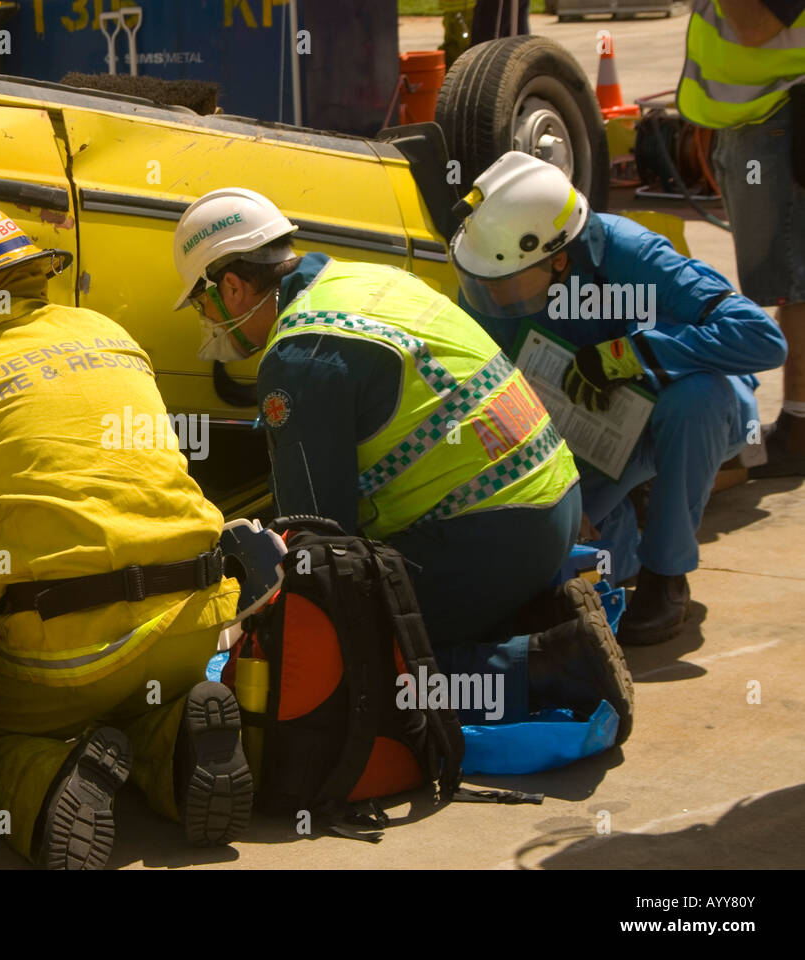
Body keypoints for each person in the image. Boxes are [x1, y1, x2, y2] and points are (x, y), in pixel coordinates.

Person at [169, 187, 635, 741]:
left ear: (232, 286)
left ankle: (550, 666)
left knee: (350, 652)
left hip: (498, 532)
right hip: (552, 502)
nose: (206, 321)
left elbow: (319, 544)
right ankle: (534, 619)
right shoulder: (363, 280)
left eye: (203, 304)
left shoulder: (298, 356)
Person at [0, 202, 250, 870]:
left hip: (71, 641)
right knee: (145, 701)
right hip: (201, 613)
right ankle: (175, 742)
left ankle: (50, 783)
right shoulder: (108, 333)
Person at [451, 152, 788, 645]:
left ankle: (666, 573)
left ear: (559, 258)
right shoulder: (493, 268)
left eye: (506, 285)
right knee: (543, 559)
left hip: (679, 409)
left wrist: (629, 355)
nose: (494, 298)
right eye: (485, 284)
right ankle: (628, 521)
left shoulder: (628, 251)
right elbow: (486, 398)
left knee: (697, 399)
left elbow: (761, 338)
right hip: (583, 435)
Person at [679, 0, 805, 477]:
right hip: (769, 114)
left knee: (790, 279)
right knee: (789, 274)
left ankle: (799, 428)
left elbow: (756, 25)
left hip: (777, 115)